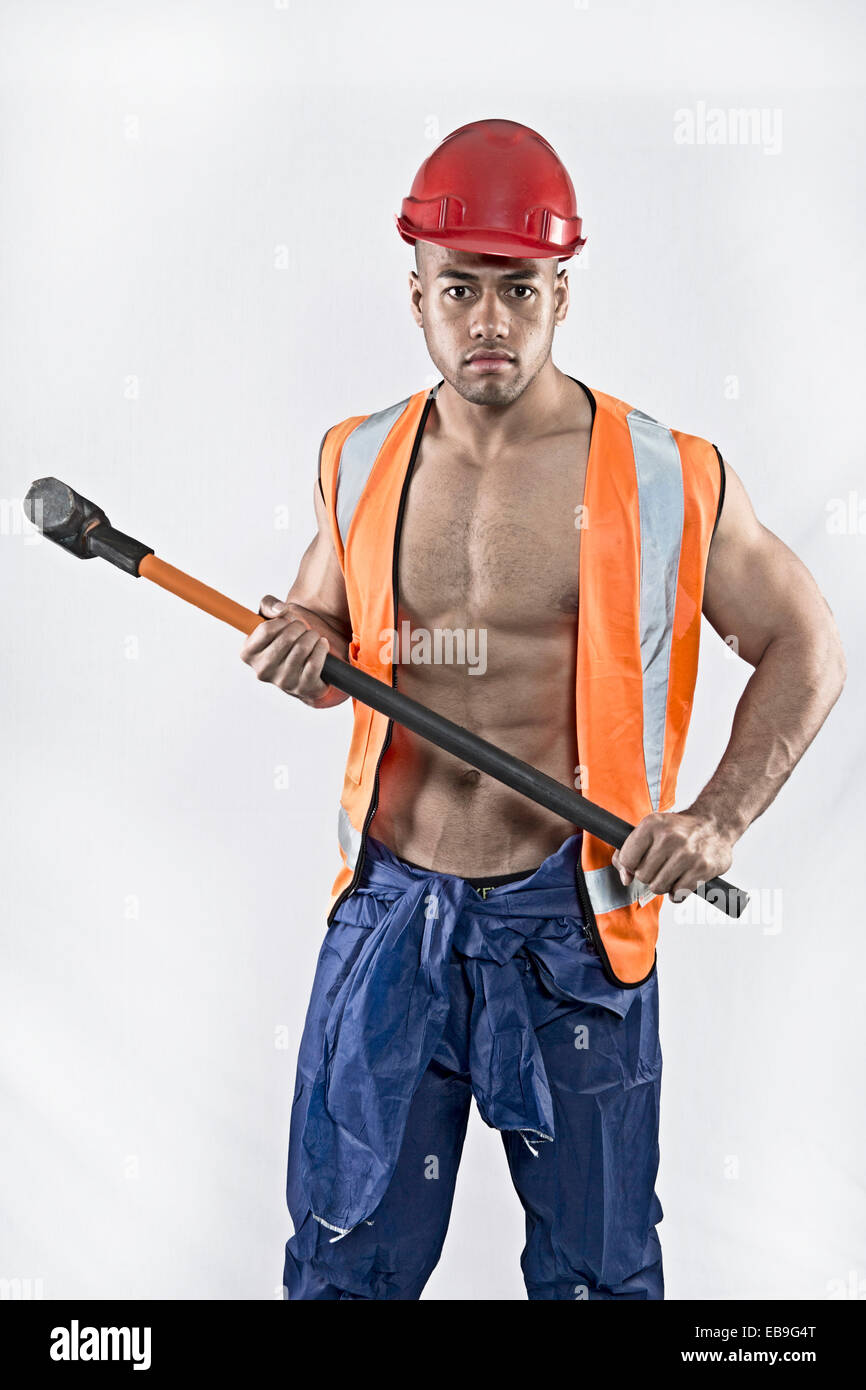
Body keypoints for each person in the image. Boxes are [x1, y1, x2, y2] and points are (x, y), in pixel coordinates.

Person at [240, 120, 846, 1300]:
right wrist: (302, 646)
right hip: (389, 915)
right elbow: (322, 613)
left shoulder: (665, 472)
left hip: (572, 921)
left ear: (560, 291)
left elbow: (805, 644)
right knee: (340, 1259)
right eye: (457, 288)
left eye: (517, 290)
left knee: (598, 1275)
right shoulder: (355, 456)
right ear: (413, 290)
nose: (486, 322)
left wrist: (717, 818)